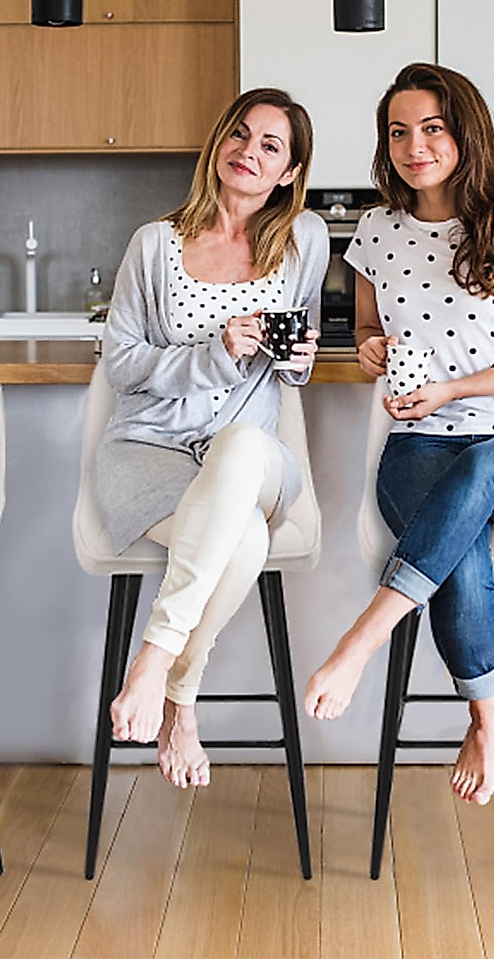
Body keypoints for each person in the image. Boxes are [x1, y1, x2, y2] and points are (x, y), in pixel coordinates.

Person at [304, 62, 494, 806]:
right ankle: (489, 717)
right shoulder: (376, 232)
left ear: (464, 132)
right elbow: (365, 330)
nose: (413, 145)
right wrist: (368, 350)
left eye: (431, 128)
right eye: (398, 131)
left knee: (479, 475)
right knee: (460, 535)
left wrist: (455, 388)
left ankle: (363, 639)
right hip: (419, 448)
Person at [96, 87, 328, 789]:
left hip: (248, 456)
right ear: (218, 144)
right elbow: (122, 362)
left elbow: (303, 364)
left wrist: (296, 358)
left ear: (290, 171)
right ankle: (182, 702)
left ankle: (150, 660)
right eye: (239, 135)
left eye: (270, 146)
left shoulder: (304, 240)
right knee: (245, 541)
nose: (248, 153)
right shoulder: (153, 244)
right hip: (149, 451)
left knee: (239, 447)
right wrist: (217, 352)